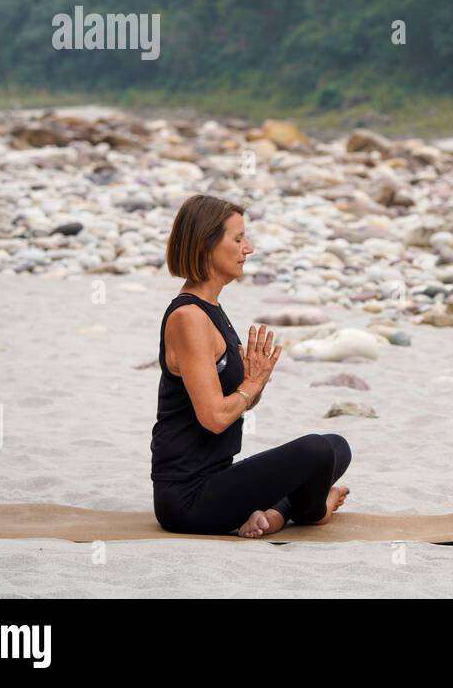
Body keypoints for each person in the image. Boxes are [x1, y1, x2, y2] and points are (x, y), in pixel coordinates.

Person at [150, 194, 352, 538]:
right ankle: (314, 511)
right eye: (239, 239)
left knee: (335, 446)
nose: (249, 248)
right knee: (315, 451)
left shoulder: (211, 309)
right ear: (205, 245)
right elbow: (214, 418)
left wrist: (255, 382)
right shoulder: (189, 318)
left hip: (219, 477)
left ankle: (274, 514)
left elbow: (239, 400)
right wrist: (250, 385)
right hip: (187, 499)